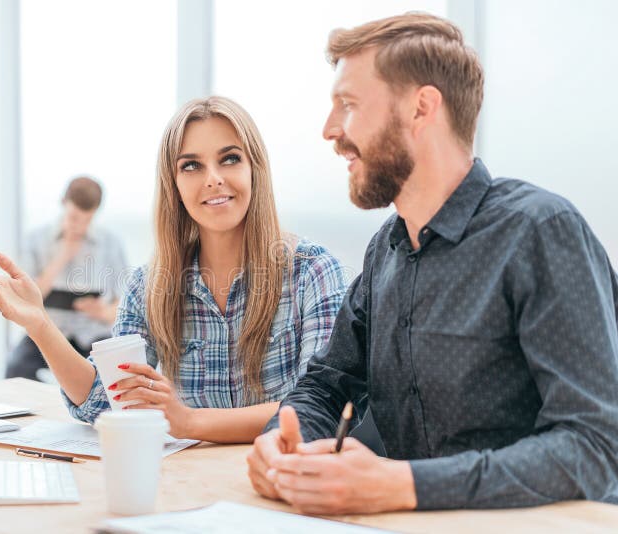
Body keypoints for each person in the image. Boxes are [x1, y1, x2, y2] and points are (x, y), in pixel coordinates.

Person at [247, 12, 618, 513]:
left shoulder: (540, 230)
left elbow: (594, 446)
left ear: (422, 108)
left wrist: (401, 485)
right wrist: (281, 440)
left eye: (349, 105)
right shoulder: (386, 251)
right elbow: (326, 383)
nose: (329, 130)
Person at [0, 96, 349, 443]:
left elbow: (316, 409)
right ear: (174, 184)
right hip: (190, 489)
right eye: (192, 165)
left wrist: (189, 422)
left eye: (229, 158)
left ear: (255, 169)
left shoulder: (312, 272)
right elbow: (104, 403)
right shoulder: (150, 285)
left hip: (281, 488)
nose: (213, 177)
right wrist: (40, 325)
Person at [5, 176, 128, 380]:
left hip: (94, 334)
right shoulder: (35, 240)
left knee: (117, 375)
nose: (79, 226)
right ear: (64, 204)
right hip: (47, 332)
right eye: (73, 217)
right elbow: (23, 299)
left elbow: (124, 304)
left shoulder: (111, 243)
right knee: (16, 367)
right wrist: (63, 255)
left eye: (86, 220)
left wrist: (103, 311)